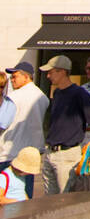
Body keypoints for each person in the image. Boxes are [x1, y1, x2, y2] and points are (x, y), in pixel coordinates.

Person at [40, 55, 90, 195]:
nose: (48, 76)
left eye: (50, 72)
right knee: (49, 201)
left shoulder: (78, 93)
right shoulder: (57, 92)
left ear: (62, 72)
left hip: (67, 154)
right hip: (50, 152)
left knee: (66, 197)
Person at [0, 60, 48, 200]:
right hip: (30, 155)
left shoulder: (14, 97)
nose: (12, 80)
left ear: (26, 77)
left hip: (9, 153)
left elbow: (2, 122)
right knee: (24, 196)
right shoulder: (42, 97)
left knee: (5, 196)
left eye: (15, 76)